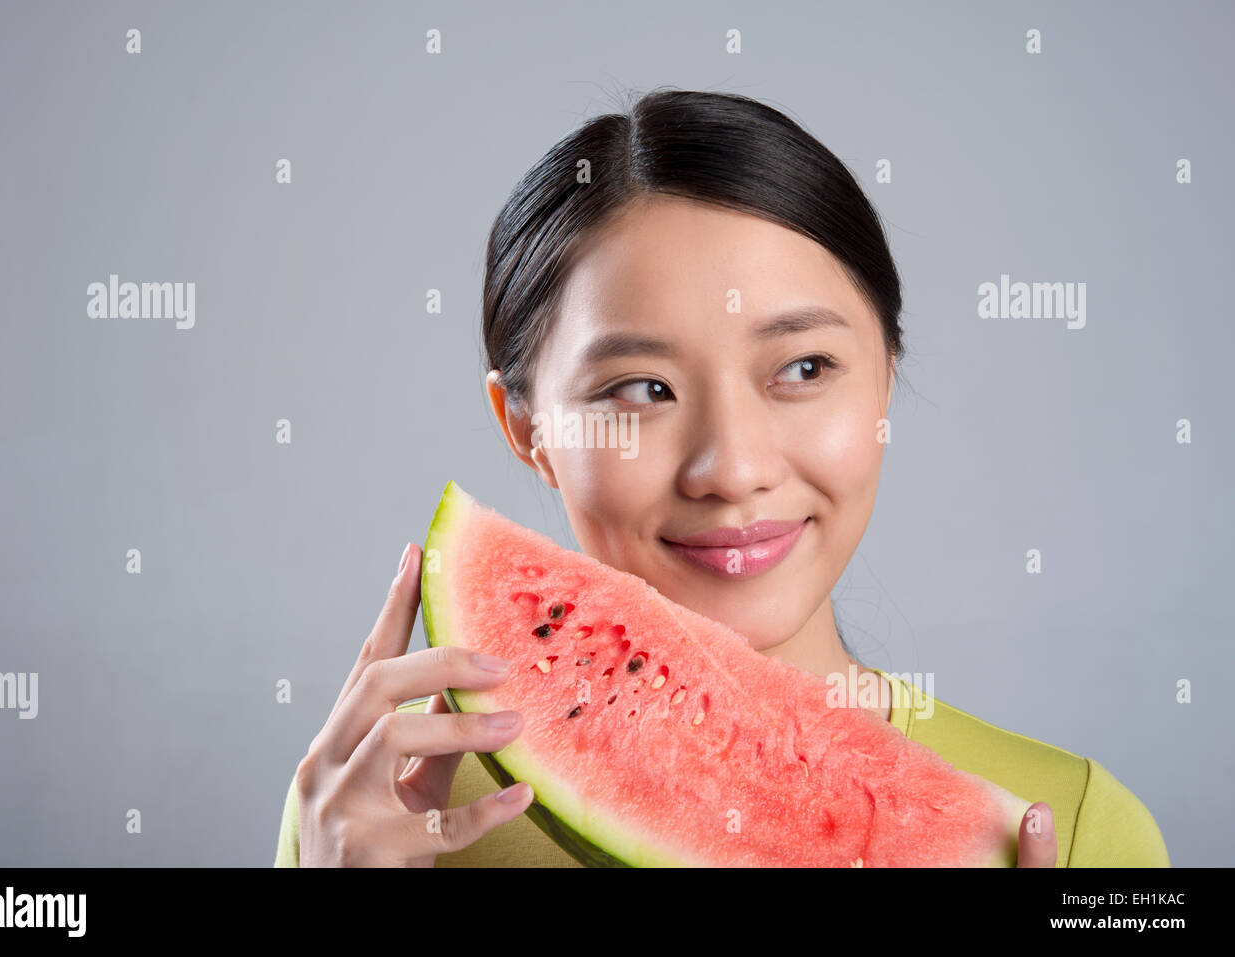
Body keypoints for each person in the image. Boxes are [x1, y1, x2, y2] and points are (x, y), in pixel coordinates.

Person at [274, 88, 1169, 867]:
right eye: (641, 389)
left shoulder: (1087, 834)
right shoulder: (375, 820)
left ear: (886, 379)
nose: (733, 470)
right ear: (527, 428)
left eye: (805, 368)